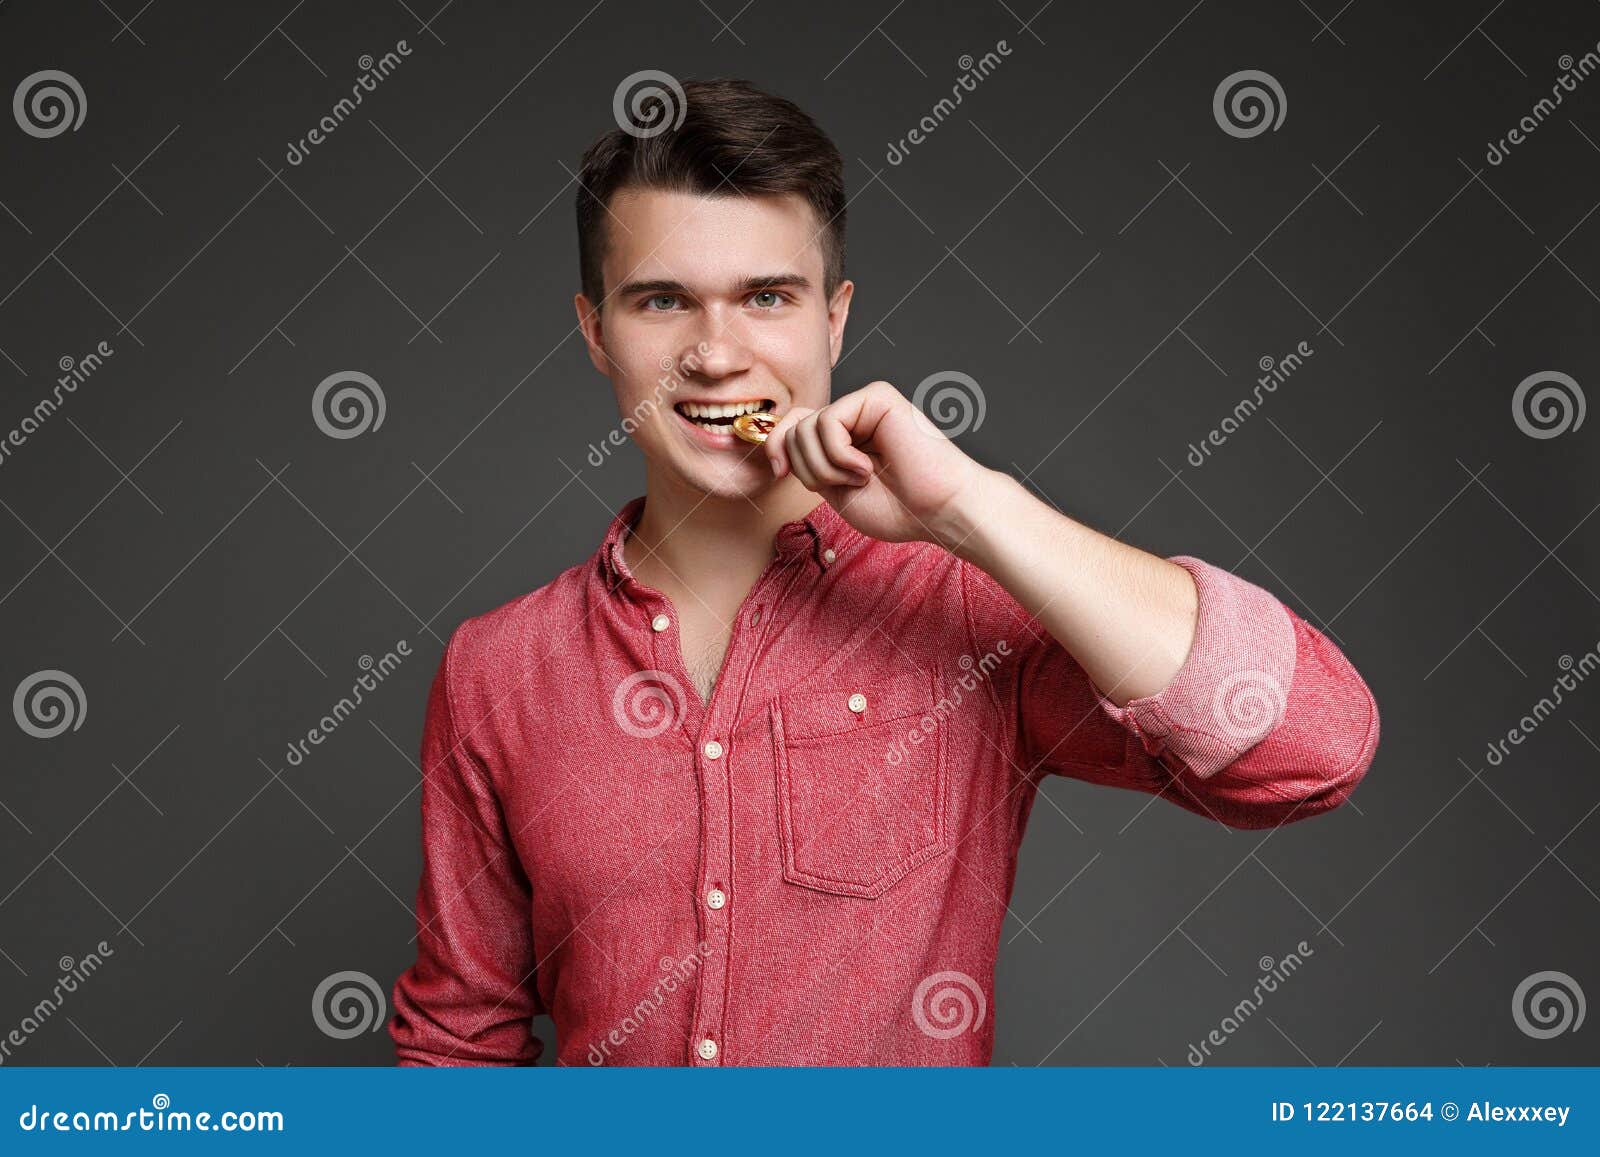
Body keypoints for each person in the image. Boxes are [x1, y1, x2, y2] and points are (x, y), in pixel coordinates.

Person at [388, 77, 1379, 1067]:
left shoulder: (957, 608)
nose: (716, 354)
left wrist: (969, 507)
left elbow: (1311, 750)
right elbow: (457, 1042)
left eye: (767, 297)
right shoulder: (496, 670)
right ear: (596, 329)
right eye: (661, 301)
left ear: (834, 319)